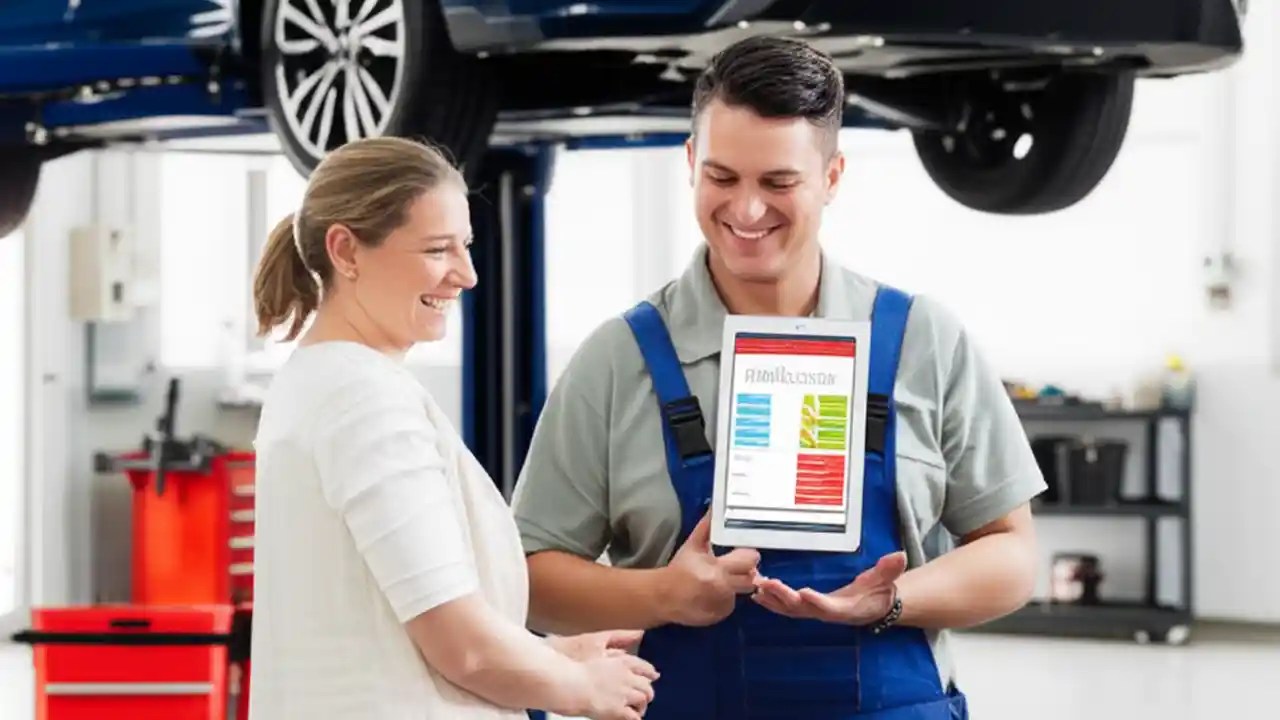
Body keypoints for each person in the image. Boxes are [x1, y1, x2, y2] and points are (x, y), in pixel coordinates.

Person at [511, 36, 1046, 719]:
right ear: (690, 165)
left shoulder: (923, 340)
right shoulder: (618, 359)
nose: (748, 210)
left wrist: (895, 599)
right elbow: (527, 577)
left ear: (832, 177)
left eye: (779, 182)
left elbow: (1011, 553)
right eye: (723, 177)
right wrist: (664, 595)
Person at [247, 136, 658, 720]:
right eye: (437, 249)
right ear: (345, 250)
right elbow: (460, 646)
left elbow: (385, 632)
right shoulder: (363, 398)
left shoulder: (315, 382)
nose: (465, 275)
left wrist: (555, 658)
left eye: (464, 246)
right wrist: (582, 690)